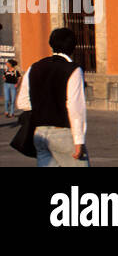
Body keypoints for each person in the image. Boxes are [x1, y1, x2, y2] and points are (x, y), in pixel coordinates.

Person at [15, 27, 87, 167]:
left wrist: (41, 105)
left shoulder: (34, 67)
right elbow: (75, 107)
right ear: (73, 47)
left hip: (39, 132)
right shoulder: (73, 69)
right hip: (63, 133)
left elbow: (22, 102)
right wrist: (79, 140)